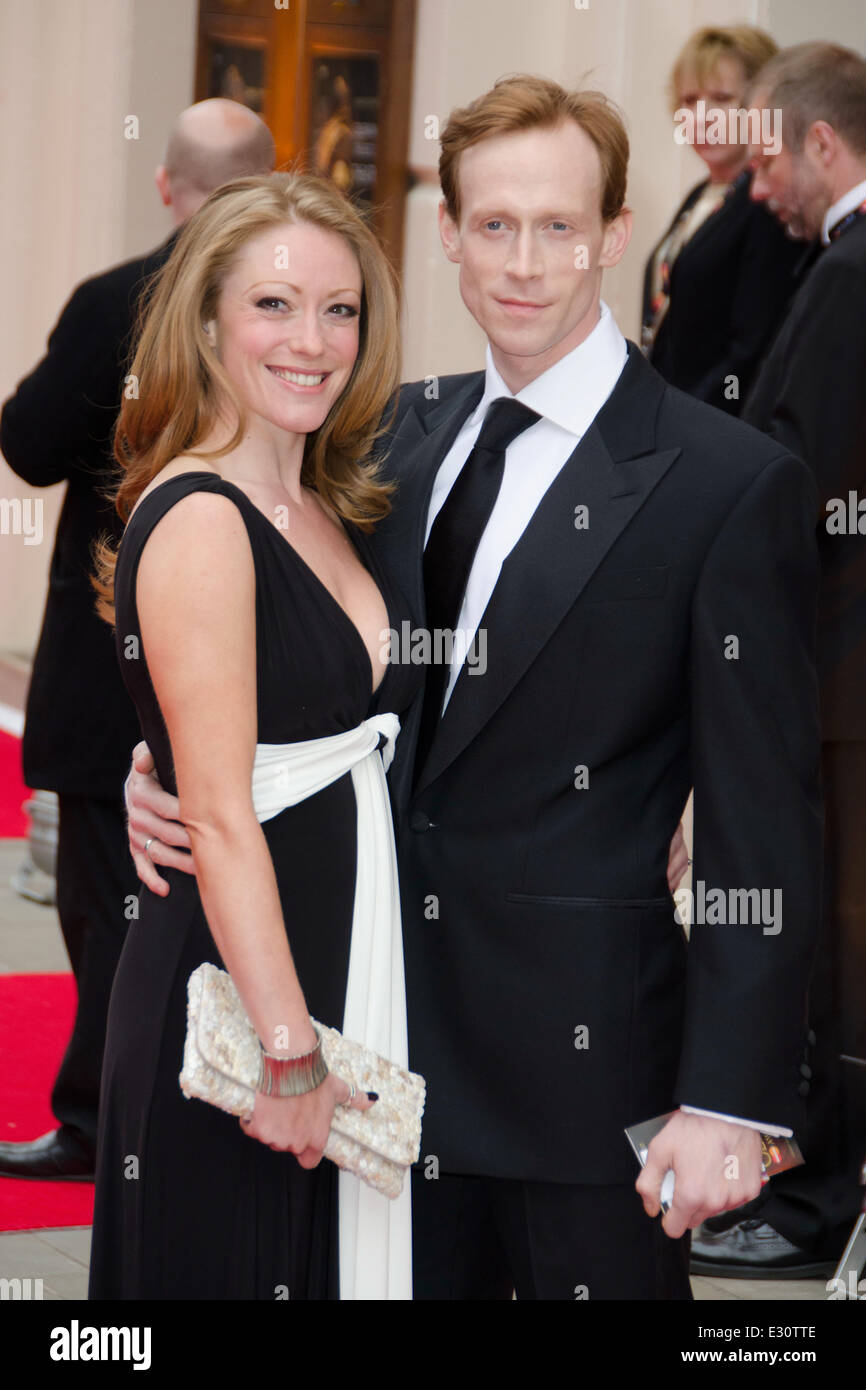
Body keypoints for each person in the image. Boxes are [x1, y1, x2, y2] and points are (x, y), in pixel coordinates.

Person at [127, 75, 823, 1300]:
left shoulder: (724, 482)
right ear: (443, 232)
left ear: (613, 233)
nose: (523, 263)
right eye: (491, 225)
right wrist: (164, 768)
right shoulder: (383, 435)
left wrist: (729, 1097)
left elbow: (766, 815)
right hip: (371, 1051)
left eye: (558, 227)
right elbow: (292, 671)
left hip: (583, 1084)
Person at [87, 171, 419, 1300]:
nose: (312, 340)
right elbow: (221, 815)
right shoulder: (201, 515)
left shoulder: (333, 498)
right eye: (273, 305)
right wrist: (287, 1052)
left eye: (340, 310)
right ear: (209, 320)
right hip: (233, 1017)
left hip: (335, 983)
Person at [0, 98, 275, 1183]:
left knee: (109, 909)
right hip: (253, 644)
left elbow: (25, 442)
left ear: (168, 185)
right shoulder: (289, 299)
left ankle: (110, 1124)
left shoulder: (121, 300)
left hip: (116, 649)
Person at [692, 41, 866, 1279]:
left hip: (840, 675)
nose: (760, 193)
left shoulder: (852, 271)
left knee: (833, 958)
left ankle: (815, 1208)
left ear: (817, 143)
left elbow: (800, 474)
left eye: (769, 161)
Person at [641, 25, 804, 414]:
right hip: (665, 412)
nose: (702, 116)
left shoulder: (767, 205)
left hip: (715, 423)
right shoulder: (699, 196)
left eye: (721, 98)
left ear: (764, 104)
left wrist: (688, 419)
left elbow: (750, 351)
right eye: (689, 99)